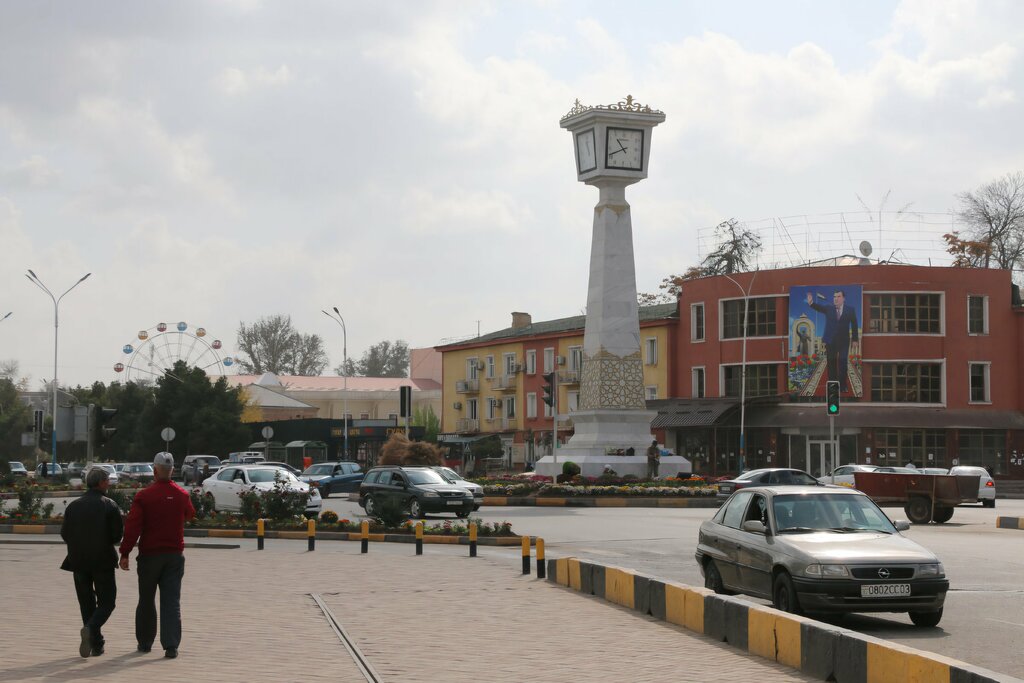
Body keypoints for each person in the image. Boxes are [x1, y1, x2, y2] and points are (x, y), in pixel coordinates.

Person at [119, 452, 195, 659]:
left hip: (150, 556)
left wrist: (125, 552)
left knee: (146, 599)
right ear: (172, 471)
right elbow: (190, 514)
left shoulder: (144, 496)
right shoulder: (181, 494)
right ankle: (171, 646)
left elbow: (133, 527)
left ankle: (145, 643)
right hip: (174, 555)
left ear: (154, 470)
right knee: (171, 601)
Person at [61, 466, 123, 658]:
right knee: (108, 602)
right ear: (101, 483)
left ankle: (96, 644)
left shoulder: (73, 506)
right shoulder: (109, 505)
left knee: (86, 603)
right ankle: (91, 629)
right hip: (102, 560)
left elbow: (64, 533)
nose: (109, 483)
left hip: (77, 561)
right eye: (108, 480)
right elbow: (116, 536)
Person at [806, 289, 860, 393]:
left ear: (843, 298)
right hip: (830, 340)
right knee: (831, 363)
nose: (836, 299)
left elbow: (854, 324)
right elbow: (819, 308)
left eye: (838, 296)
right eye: (834, 297)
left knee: (843, 362)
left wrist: (855, 339)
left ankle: (843, 385)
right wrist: (811, 303)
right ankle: (833, 385)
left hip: (844, 341)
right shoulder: (828, 308)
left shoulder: (850, 310)